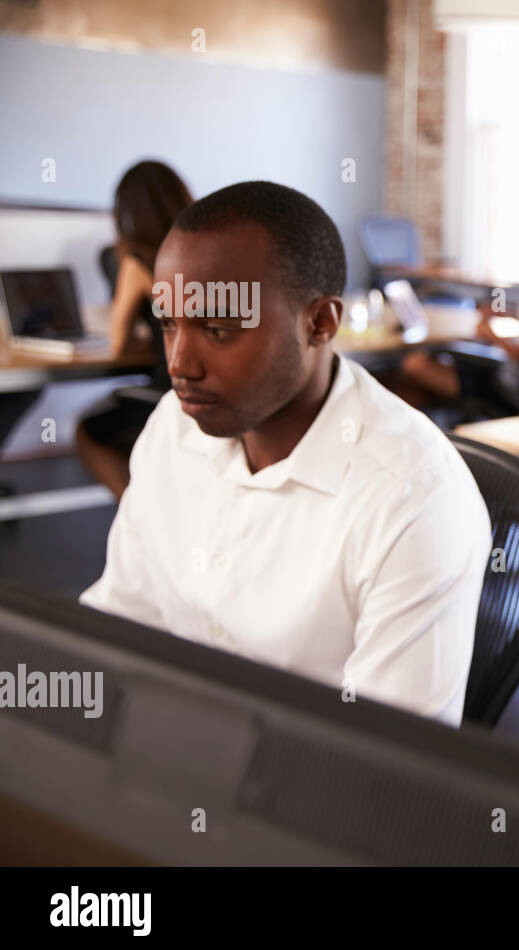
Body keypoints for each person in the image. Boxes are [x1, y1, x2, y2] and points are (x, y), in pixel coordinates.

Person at [79, 181, 491, 727]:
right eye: (169, 324)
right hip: (167, 756)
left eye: (220, 329)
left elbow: (387, 766)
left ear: (320, 323)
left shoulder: (414, 499)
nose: (179, 363)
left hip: (301, 797)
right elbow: (121, 620)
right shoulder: (172, 429)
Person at [392, 192, 519, 412]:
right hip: (507, 373)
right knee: (415, 380)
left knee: (414, 366)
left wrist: (491, 335)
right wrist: (505, 313)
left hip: (510, 385)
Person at [76, 160, 193, 498]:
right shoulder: (206, 251)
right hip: (215, 386)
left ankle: (138, 517)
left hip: (170, 391)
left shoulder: (137, 262)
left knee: (89, 431)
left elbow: (116, 344)